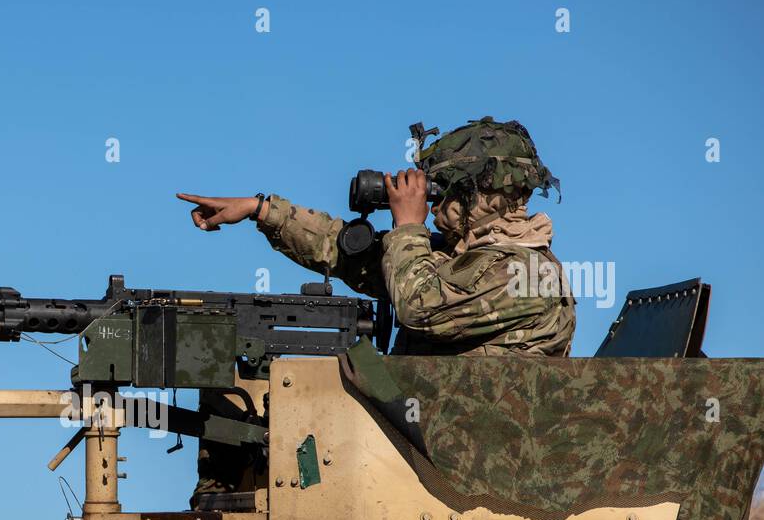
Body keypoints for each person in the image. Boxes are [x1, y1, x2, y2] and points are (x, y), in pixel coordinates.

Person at [177, 117, 574, 356]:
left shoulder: (528, 275)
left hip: (479, 458)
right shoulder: (455, 259)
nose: (434, 202)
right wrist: (260, 209)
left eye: (446, 189)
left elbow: (420, 309)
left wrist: (407, 228)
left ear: (487, 195)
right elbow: (345, 251)